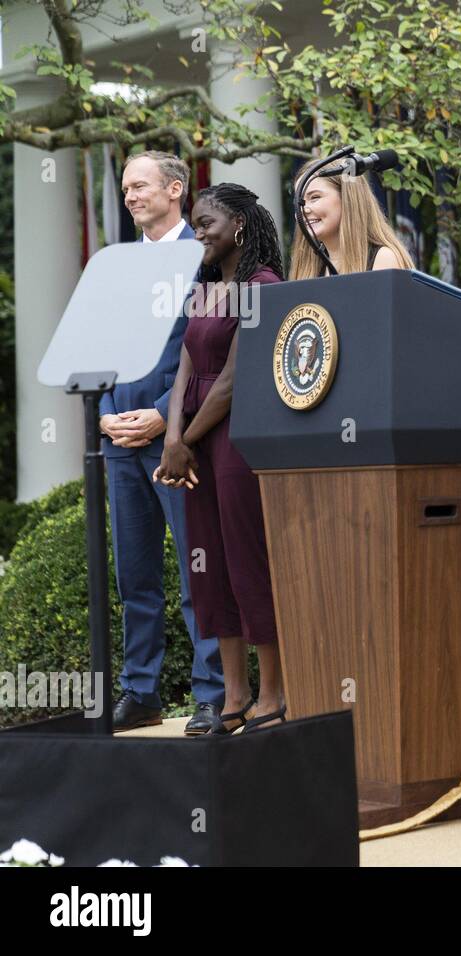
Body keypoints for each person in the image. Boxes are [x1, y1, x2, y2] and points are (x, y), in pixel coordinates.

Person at [154, 183, 286, 734]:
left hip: (236, 435)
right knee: (206, 564)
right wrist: (173, 437)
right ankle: (234, 696)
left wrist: (188, 438)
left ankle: (275, 692)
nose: (198, 232)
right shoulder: (208, 287)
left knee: (245, 559)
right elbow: (188, 361)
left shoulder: (263, 285)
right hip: (193, 435)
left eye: (205, 222)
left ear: (238, 225)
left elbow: (234, 378)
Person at [102, 150, 224, 735]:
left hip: (178, 439)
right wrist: (106, 414)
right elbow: (100, 348)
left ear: (175, 189)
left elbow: (206, 356)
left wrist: (159, 417)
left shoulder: (205, 259)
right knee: (135, 576)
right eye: (125, 187)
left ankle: (214, 694)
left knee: (196, 570)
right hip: (118, 441)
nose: (129, 195)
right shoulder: (117, 265)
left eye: (140, 185)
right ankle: (141, 692)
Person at [288, 163, 414, 278]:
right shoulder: (308, 268)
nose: (303, 210)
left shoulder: (383, 259)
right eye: (299, 203)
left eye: (315, 197)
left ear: (347, 198)